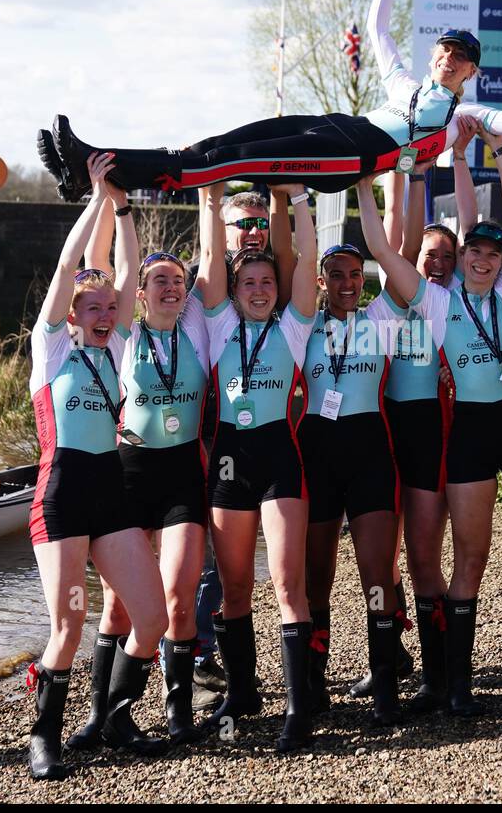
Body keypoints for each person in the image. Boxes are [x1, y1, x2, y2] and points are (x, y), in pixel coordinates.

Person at [35, 0, 502, 200]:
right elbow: (380, 26)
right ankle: (84, 168)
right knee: (211, 145)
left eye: (459, 56)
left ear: (469, 71)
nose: (447, 58)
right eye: (443, 50)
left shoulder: (464, 111)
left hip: (353, 156)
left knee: (227, 164)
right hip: (336, 122)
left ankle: (94, 167)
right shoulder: (402, 79)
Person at [358, 141, 502, 716]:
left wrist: (493, 152)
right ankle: (457, 684)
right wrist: (369, 182)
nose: (482, 259)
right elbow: (387, 254)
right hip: (466, 429)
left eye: (492, 252)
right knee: (471, 556)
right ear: (462, 258)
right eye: (474, 252)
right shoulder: (437, 302)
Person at [25, 152, 169, 780]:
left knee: (155, 616)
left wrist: (125, 206)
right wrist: (93, 199)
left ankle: (114, 713)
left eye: (112, 308)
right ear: (72, 317)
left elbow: (130, 270)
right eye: (94, 309)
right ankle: (44, 737)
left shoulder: (119, 345)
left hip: (109, 491)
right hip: (60, 495)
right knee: (69, 624)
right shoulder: (52, 347)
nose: (105, 316)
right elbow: (66, 266)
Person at [62, 205, 212, 748]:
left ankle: (177, 713)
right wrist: (116, 205)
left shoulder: (198, 326)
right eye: (158, 282)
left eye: (178, 280)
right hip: (128, 473)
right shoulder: (123, 334)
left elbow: (213, 261)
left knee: (178, 597)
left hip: (182, 477)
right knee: (120, 605)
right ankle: (102, 716)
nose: (171, 288)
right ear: (141, 295)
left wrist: (209, 193)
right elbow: (112, 267)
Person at [198, 180, 320, 752]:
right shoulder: (218, 321)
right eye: (248, 282)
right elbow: (206, 261)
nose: (259, 289)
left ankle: (298, 710)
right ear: (234, 287)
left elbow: (306, 258)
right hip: (229, 458)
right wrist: (209, 191)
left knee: (287, 585)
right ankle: (243, 692)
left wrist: (296, 201)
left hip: (279, 457)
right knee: (236, 587)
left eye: (268, 281)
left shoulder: (295, 324)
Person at [299, 224, 409, 725]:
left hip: (371, 453)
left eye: (354, 275)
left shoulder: (381, 320)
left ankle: (385, 683)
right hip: (316, 455)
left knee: (376, 574)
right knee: (315, 577)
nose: (347, 283)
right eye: (336, 275)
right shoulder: (301, 327)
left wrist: (397, 172)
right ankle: (314, 682)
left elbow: (396, 249)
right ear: (320, 281)